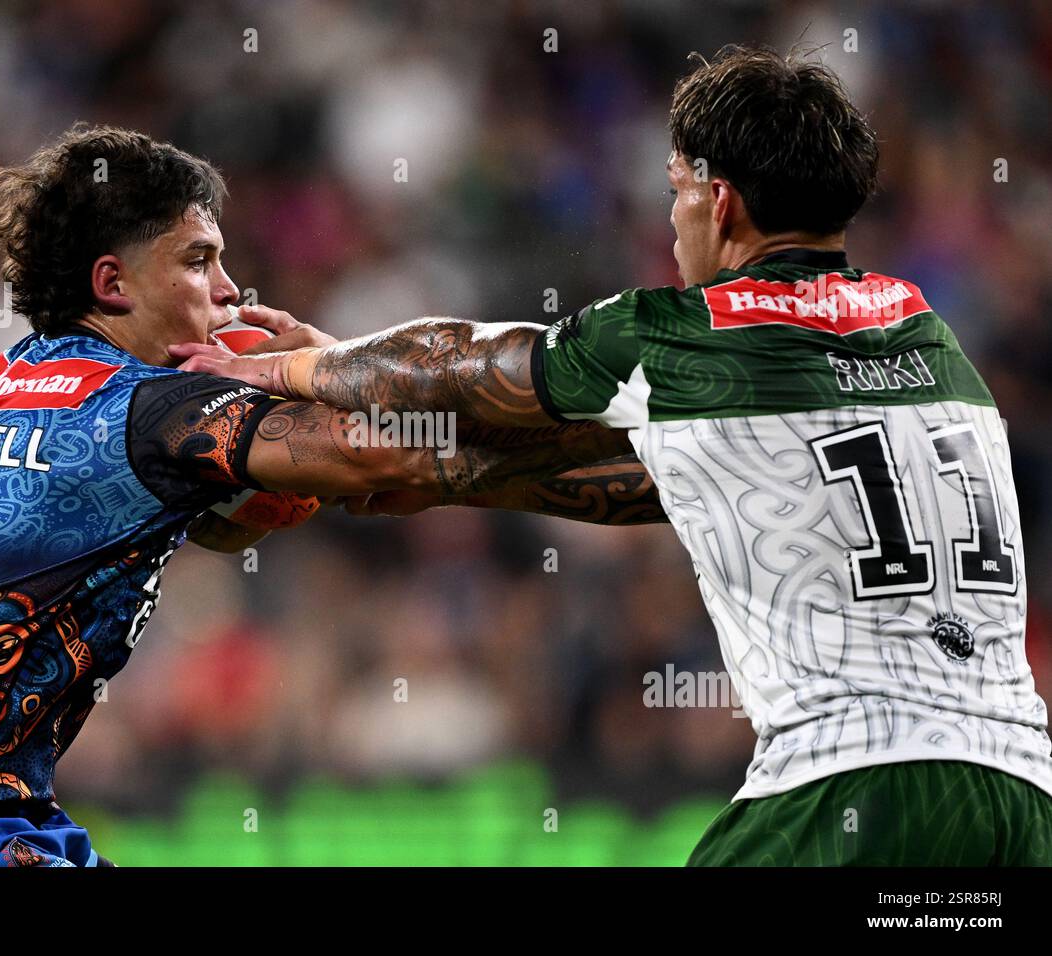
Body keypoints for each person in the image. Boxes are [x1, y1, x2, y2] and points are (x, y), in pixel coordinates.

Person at [176, 46, 1052, 865]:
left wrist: (291, 365)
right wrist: (442, 476)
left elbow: (455, 364)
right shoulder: (927, 333)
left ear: (720, 202)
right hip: (1020, 795)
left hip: (847, 788)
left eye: (675, 192)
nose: (671, 222)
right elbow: (683, 485)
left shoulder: (688, 333)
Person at [0, 123, 630, 867]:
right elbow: (387, 457)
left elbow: (220, 531)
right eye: (199, 261)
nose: (232, 290)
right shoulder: (151, 409)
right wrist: (326, 365)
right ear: (114, 283)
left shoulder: (3, 378)